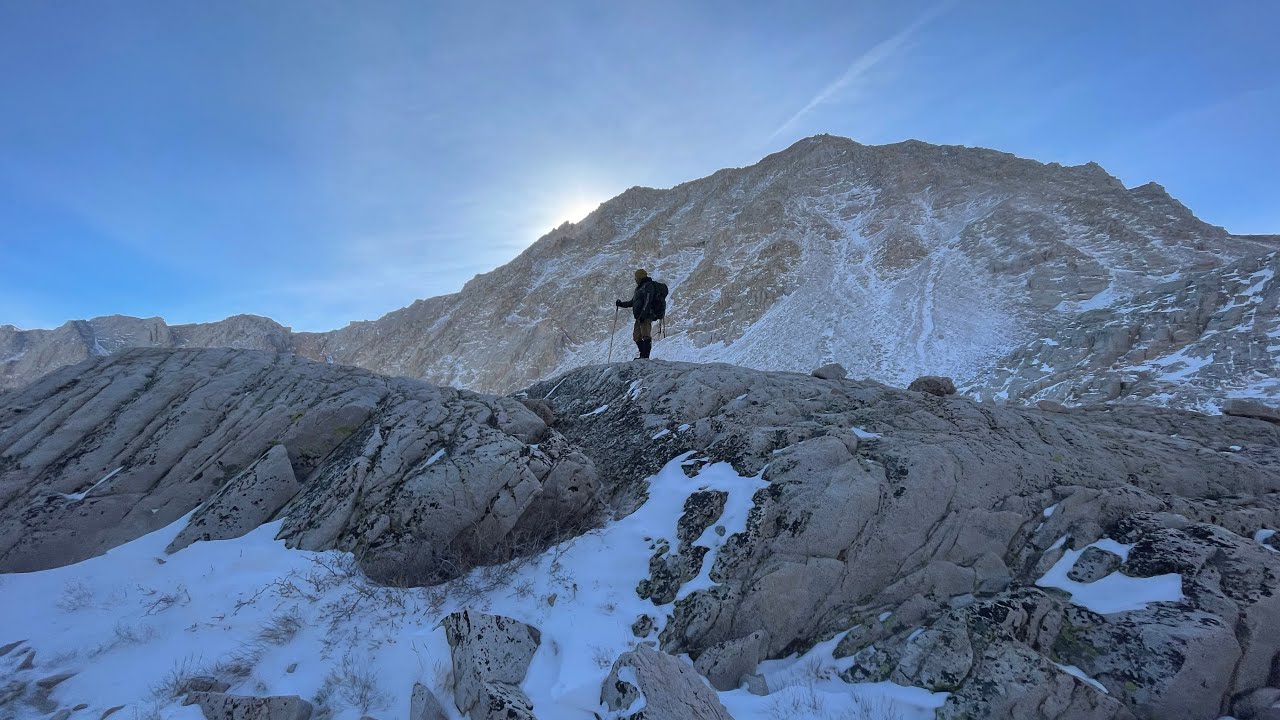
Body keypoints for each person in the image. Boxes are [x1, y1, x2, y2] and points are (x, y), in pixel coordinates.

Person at [616, 269, 658, 359]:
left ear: (640, 277)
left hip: (646, 315)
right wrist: (621, 304)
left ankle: (645, 356)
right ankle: (642, 355)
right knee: (636, 336)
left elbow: (648, 301)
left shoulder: (648, 286)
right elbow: (633, 302)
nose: (635, 279)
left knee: (645, 335)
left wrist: (643, 314)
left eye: (636, 277)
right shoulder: (639, 288)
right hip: (639, 316)